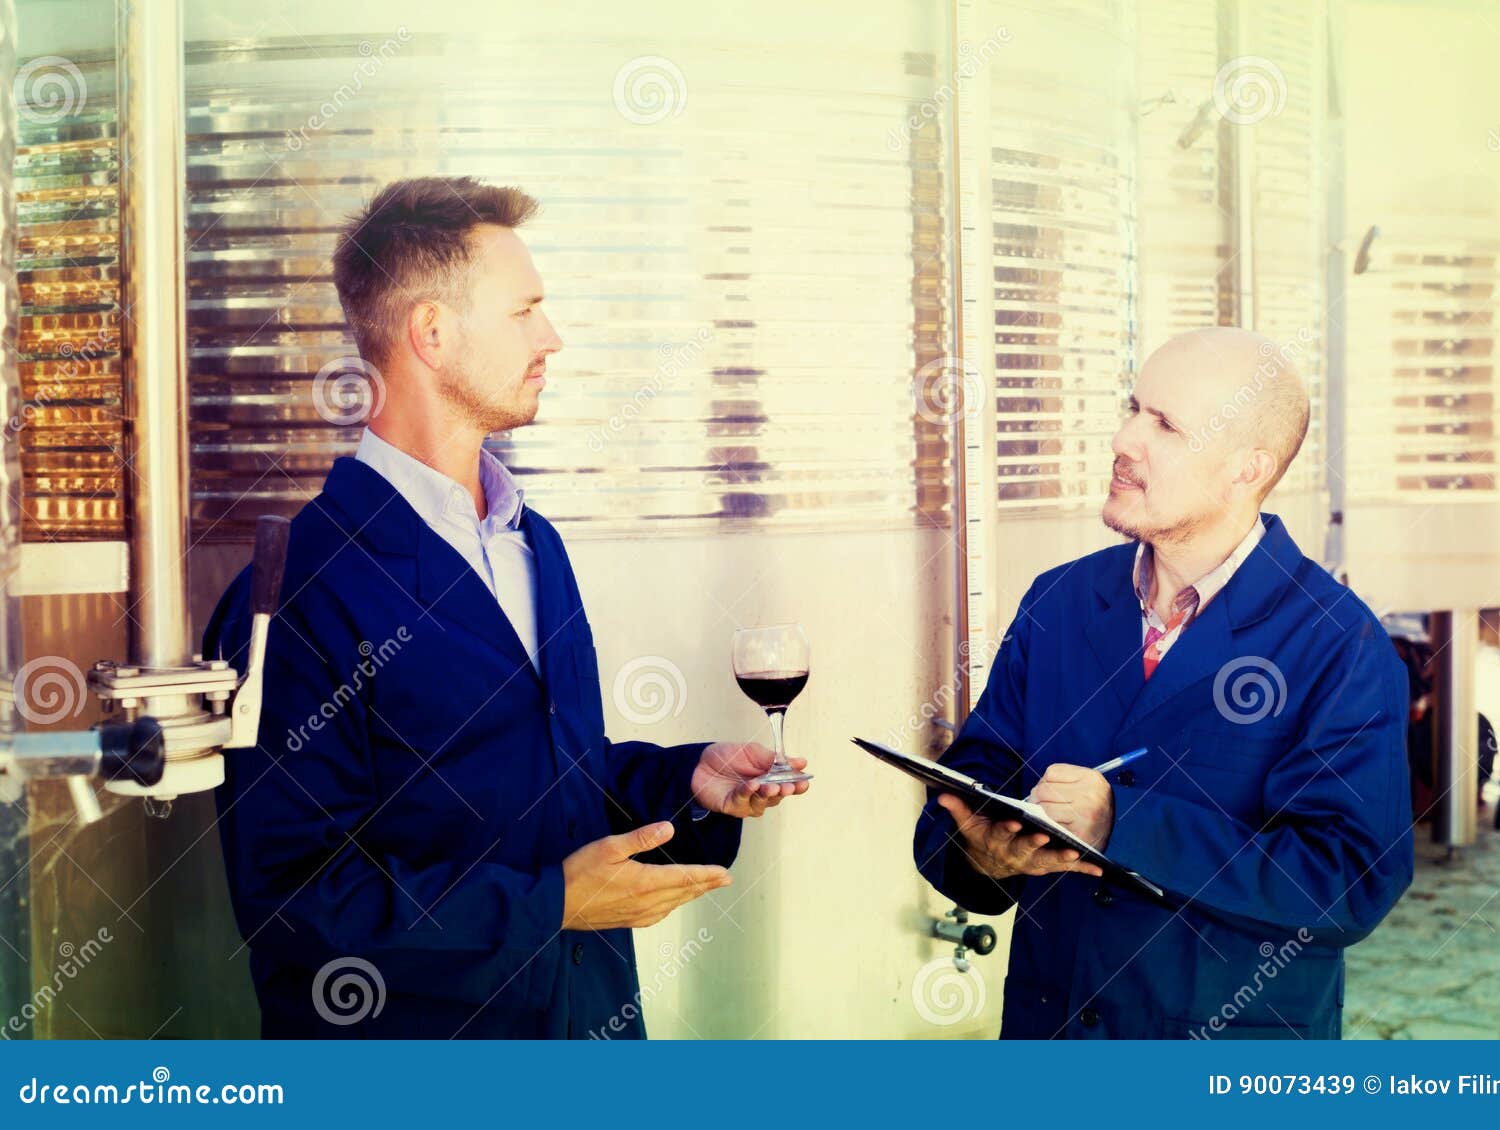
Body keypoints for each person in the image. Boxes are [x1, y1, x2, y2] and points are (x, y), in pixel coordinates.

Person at [204, 176, 808, 1039]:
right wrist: (550, 905)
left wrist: (686, 787)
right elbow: (294, 900)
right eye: (524, 311)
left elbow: (546, 780)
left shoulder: (531, 542)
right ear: (431, 332)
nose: (551, 337)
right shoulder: (298, 591)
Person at [914, 327, 1413, 1039]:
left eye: (1165, 426)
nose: (1124, 439)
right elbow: (971, 785)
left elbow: (1349, 881)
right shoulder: (1059, 601)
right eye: (1133, 409)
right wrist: (981, 851)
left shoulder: (1339, 644)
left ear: (1245, 469)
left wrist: (1125, 824)